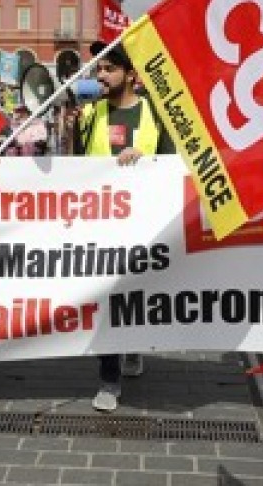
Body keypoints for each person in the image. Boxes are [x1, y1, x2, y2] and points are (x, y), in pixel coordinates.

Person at [73, 40, 176, 412]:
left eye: (109, 69)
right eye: (97, 69)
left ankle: (132, 345)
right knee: (106, 297)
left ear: (131, 74)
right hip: (100, 223)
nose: (100, 75)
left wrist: (144, 160)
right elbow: (74, 167)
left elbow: (170, 168)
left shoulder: (155, 113)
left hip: (143, 222)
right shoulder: (88, 116)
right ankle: (108, 376)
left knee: (135, 295)